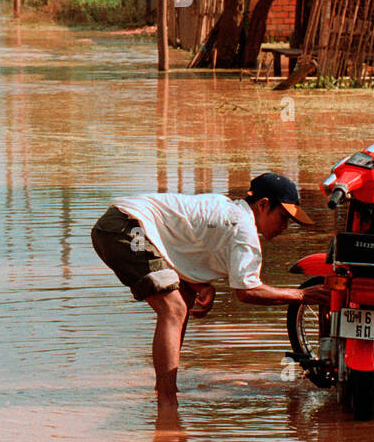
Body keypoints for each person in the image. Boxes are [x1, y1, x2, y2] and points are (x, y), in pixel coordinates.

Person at [91, 173, 319, 413]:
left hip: (120, 223)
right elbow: (247, 292)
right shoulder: (243, 228)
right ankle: (167, 403)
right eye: (282, 217)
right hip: (127, 228)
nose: (284, 226)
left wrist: (200, 286)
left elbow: (183, 244)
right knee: (174, 309)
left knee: (184, 299)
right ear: (263, 205)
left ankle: (166, 391)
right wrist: (302, 295)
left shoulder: (227, 210)